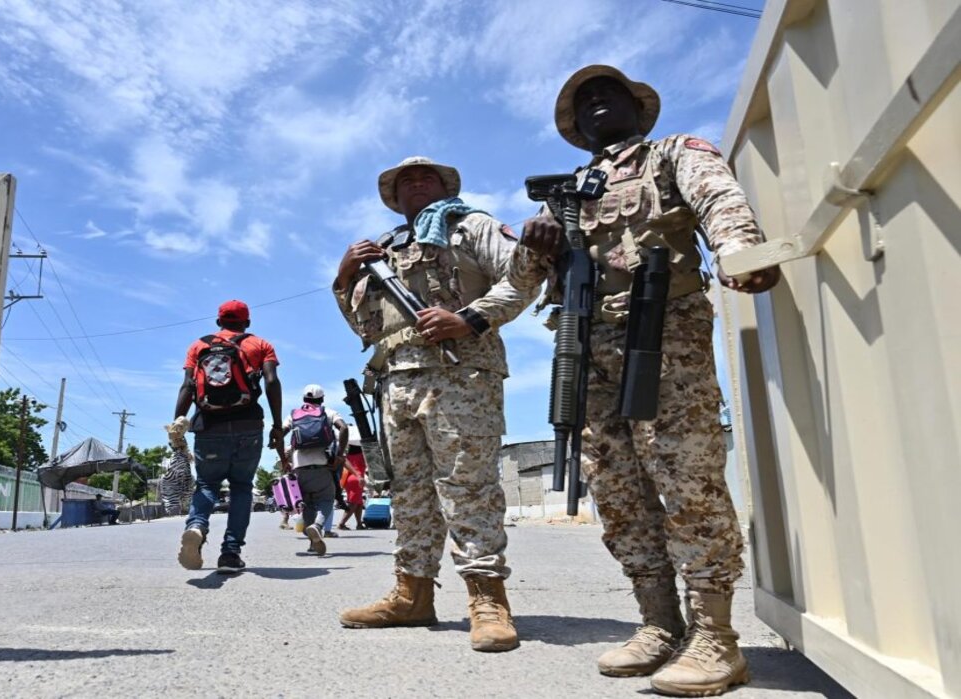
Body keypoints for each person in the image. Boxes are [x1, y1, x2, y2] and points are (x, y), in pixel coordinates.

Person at [508, 65, 781, 695]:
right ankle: (659, 624)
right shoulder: (568, 189)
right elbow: (523, 281)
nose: (597, 104)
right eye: (585, 102)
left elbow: (717, 198)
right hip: (585, 346)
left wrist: (739, 250)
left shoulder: (672, 153)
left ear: (637, 105)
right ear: (575, 128)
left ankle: (716, 636)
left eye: (608, 93)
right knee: (619, 491)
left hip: (663, 331)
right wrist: (535, 241)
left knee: (684, 475)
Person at [332, 156, 538, 652]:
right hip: (396, 380)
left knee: (468, 486)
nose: (417, 184)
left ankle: (487, 600)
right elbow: (365, 325)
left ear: (445, 187)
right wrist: (344, 275)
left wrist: (471, 318)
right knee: (410, 494)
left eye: (428, 177)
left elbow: (526, 275)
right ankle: (413, 593)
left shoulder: (469, 226)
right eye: (407, 181)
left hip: (462, 374)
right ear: (395, 197)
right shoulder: (382, 251)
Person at [173, 300, 284, 574]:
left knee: (207, 484)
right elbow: (271, 382)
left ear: (218, 322)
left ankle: (196, 526)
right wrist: (278, 425)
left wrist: (178, 422)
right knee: (242, 487)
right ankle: (230, 554)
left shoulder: (198, 346)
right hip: (249, 423)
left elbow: (188, 385)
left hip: (210, 425)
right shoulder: (260, 345)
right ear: (247, 322)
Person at [281, 384, 349, 555]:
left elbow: (279, 433)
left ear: (304, 399)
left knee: (308, 503)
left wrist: (284, 460)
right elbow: (344, 428)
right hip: (322, 465)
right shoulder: (329, 412)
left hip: (299, 468)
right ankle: (317, 526)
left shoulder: (293, 415)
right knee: (326, 499)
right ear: (322, 399)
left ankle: (312, 544)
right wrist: (339, 455)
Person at [337, 445, 367, 530]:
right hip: (357, 478)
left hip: (348, 478)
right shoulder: (363, 455)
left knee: (359, 502)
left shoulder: (348, 456)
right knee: (353, 503)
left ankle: (359, 524)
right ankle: (342, 523)